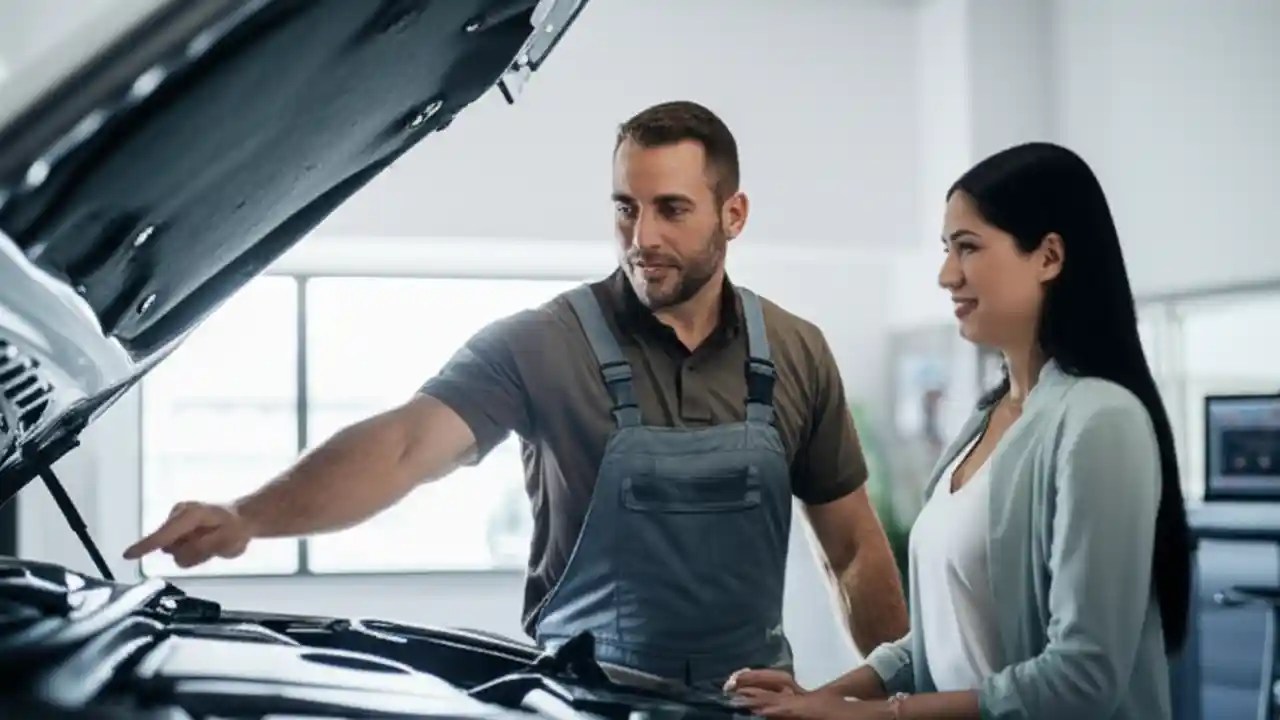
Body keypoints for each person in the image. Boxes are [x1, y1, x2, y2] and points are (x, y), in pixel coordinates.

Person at [123, 100, 909, 691]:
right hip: (583, 702)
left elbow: (852, 551)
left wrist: (893, 697)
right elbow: (403, 448)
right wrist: (246, 516)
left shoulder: (797, 350)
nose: (642, 238)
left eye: (672, 210)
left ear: (732, 215)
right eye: (625, 208)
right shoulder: (542, 343)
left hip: (753, 706)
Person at [726, 141, 1192, 719]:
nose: (947, 275)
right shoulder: (983, 422)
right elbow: (940, 636)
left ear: (1049, 256)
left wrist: (872, 715)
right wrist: (822, 698)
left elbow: (1082, 675)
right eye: (947, 249)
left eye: (968, 248)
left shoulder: (1101, 421)